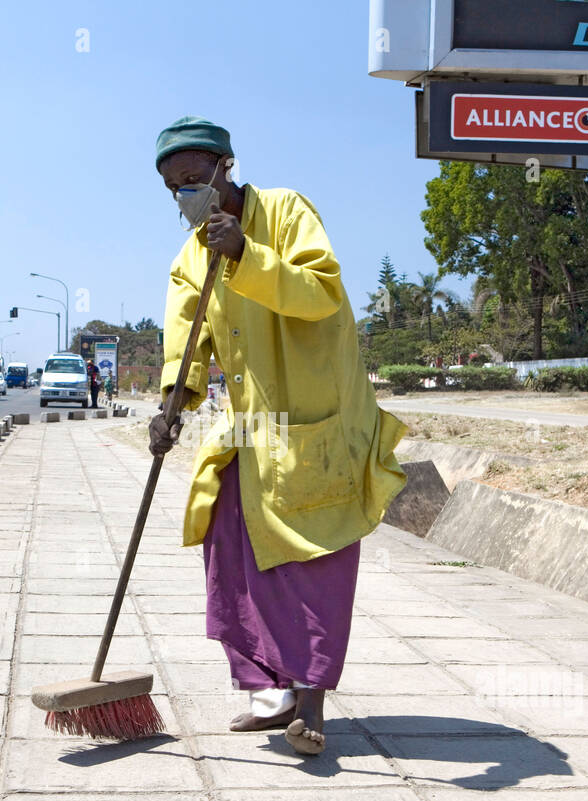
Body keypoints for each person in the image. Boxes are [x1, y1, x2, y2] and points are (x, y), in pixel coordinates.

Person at [148, 116, 407, 756]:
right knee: (230, 542)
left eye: (194, 177)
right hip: (250, 426)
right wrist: (170, 405)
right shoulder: (188, 258)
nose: (186, 192)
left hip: (317, 418)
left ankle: (312, 703)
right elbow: (187, 344)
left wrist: (245, 253)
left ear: (225, 168)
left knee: (311, 558)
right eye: (173, 185)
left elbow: (320, 292)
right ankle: (273, 693)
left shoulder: (286, 212)